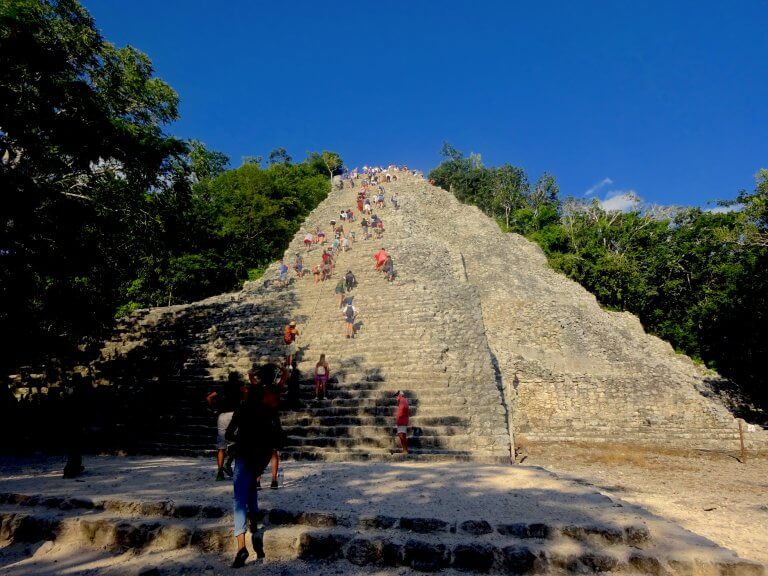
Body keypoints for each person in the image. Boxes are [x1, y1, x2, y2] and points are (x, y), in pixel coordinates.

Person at [226, 364, 284, 568]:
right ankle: (254, 521)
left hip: (243, 454)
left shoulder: (242, 408)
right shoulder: (269, 411)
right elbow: (279, 439)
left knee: (239, 499)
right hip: (261, 457)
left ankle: (241, 545)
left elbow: (228, 434)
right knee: (251, 486)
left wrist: (238, 441)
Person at [207, 372, 242, 481]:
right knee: (238, 442)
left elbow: (209, 397)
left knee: (221, 446)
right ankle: (229, 463)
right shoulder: (240, 387)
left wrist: (213, 409)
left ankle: (219, 473)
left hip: (222, 416)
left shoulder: (223, 388)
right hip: (235, 416)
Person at [395, 390, 409, 454]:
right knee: (403, 435)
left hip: (401, 420)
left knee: (401, 435)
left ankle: (405, 450)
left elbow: (401, 412)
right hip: (404, 420)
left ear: (399, 395)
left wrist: (398, 420)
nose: (396, 398)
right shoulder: (404, 400)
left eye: (396, 396)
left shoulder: (402, 401)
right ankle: (405, 450)